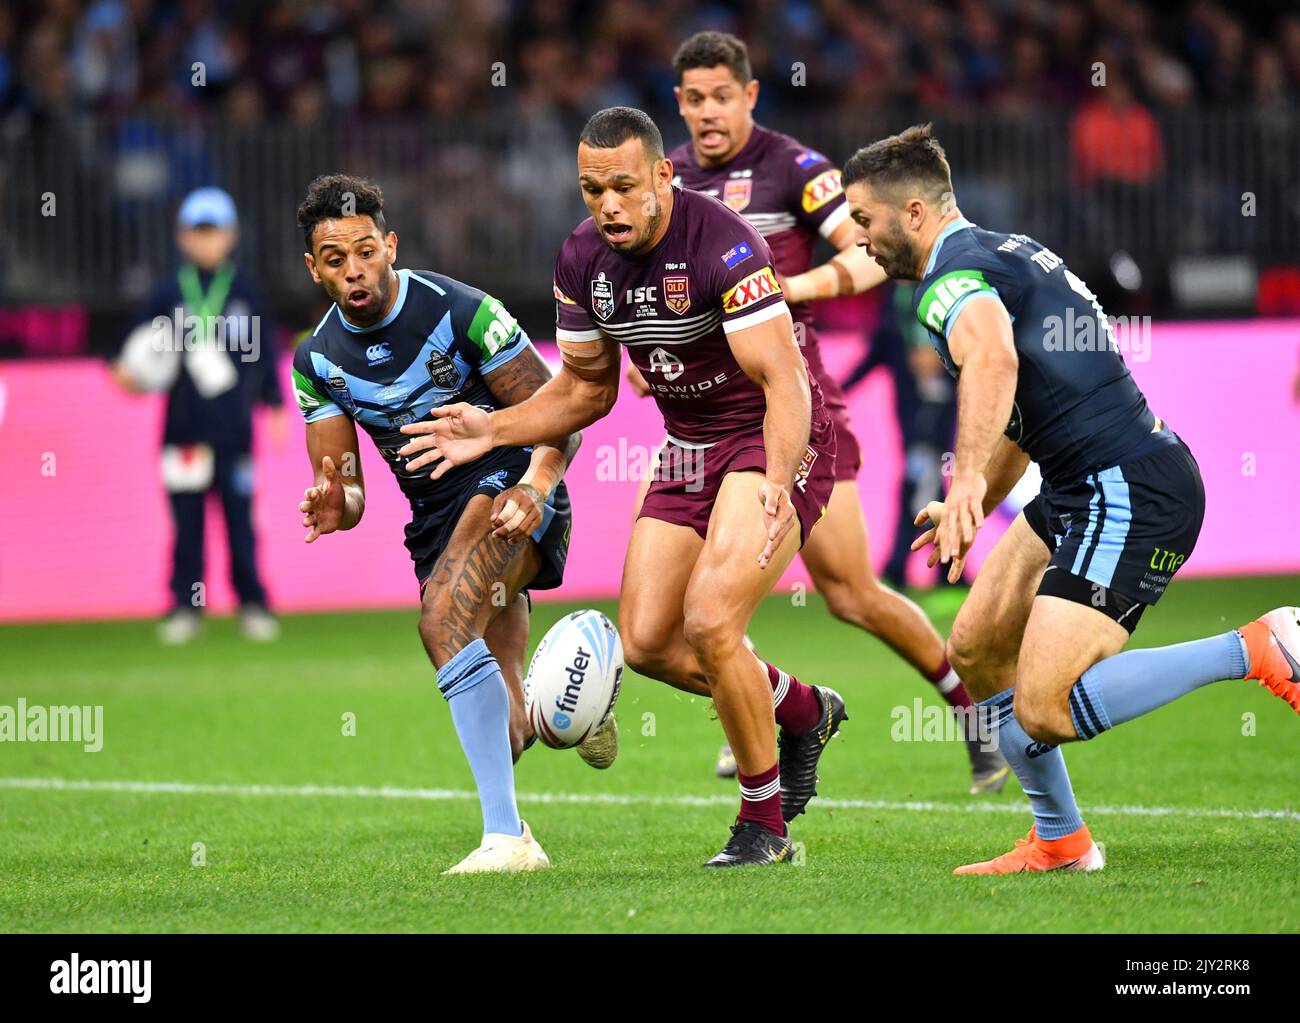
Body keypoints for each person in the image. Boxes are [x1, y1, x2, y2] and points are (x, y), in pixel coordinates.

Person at [842, 124, 1299, 875]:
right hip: (1082, 484)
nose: (859, 239)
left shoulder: (948, 278)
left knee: (1044, 708)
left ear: (914, 211)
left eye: (865, 220)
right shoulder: (1008, 251)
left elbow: (992, 359)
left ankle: (1256, 647)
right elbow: (1028, 401)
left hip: (1127, 488)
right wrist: (977, 495)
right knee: (978, 648)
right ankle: (1061, 841)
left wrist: (961, 485)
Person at [400, 107, 846, 868]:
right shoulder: (581, 259)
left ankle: (765, 825)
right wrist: (493, 428)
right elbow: (584, 391)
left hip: (768, 437)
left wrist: (776, 482)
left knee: (710, 620)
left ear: (663, 178)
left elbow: (783, 380)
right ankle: (801, 708)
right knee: (645, 644)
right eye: (591, 188)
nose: (607, 203)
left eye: (623, 186)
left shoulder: (724, 242)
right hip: (686, 449)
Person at [649, 32, 1006, 792]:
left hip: (791, 405)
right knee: (692, 609)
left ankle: (970, 713)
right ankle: (765, 709)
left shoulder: (797, 170)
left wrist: (786, 291)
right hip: (704, 419)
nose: (707, 111)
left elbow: (865, 255)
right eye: (693, 98)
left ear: (749, 96)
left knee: (850, 595)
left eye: (722, 96)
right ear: (677, 103)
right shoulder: (664, 180)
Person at [292, 173, 612, 876]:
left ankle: (508, 838)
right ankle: (576, 699)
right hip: (437, 520)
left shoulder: (462, 310)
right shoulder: (315, 361)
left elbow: (567, 413)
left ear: (391, 246)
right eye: (336, 258)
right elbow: (349, 498)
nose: (355, 270)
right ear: (313, 268)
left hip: (511, 482)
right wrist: (330, 499)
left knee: (441, 622)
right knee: (511, 726)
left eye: (366, 250)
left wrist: (536, 484)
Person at [112, 187, 283, 644]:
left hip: (234, 431)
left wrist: (278, 404)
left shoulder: (245, 289)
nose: (206, 240)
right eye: (197, 231)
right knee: (186, 523)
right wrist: (125, 373)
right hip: (183, 430)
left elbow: (266, 356)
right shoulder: (168, 293)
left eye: (214, 231)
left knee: (240, 521)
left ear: (231, 235)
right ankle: (185, 606)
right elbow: (127, 353)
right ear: (182, 237)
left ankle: (253, 603)